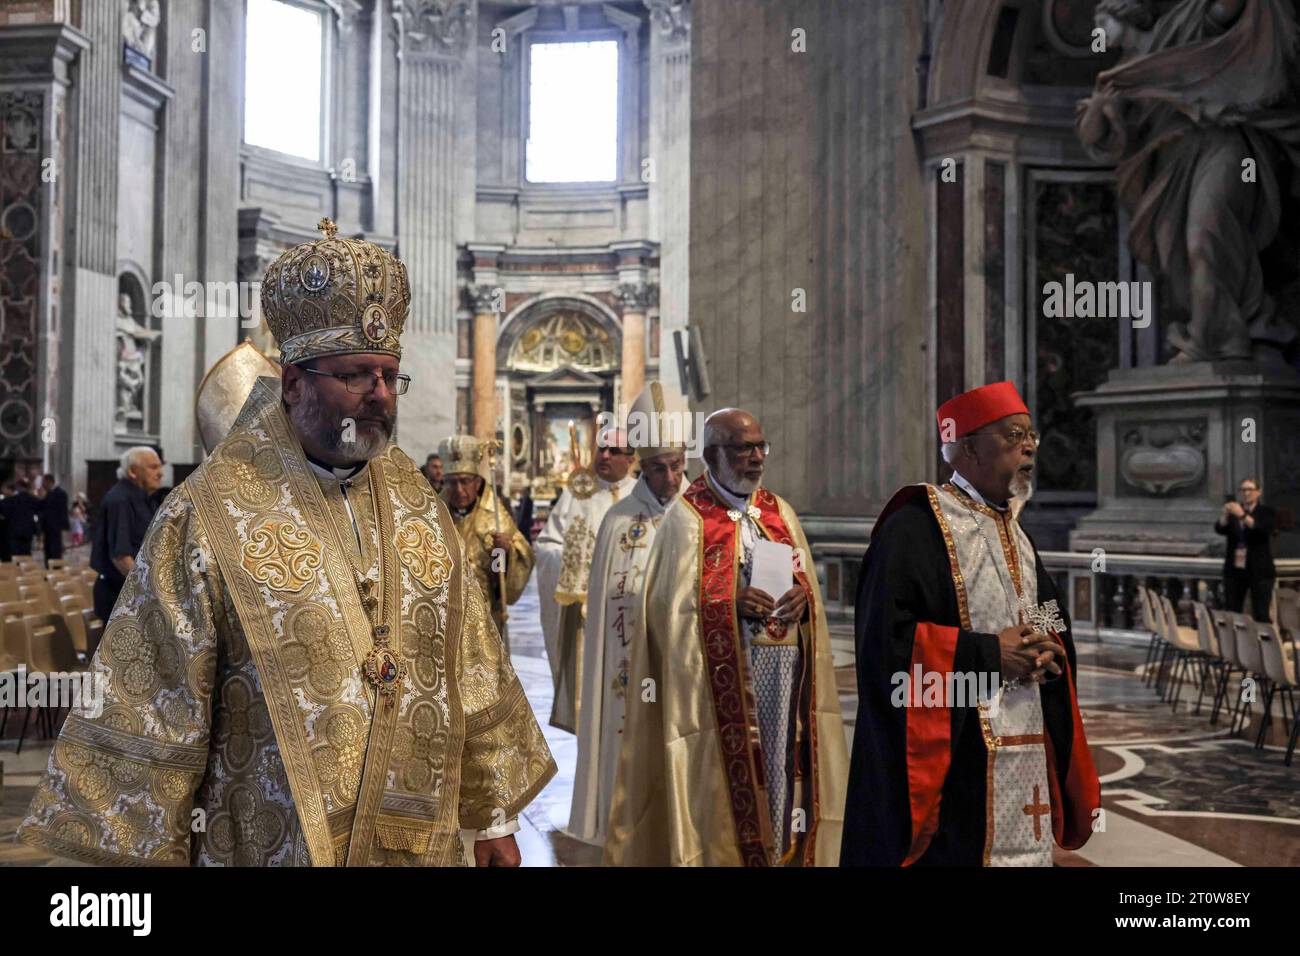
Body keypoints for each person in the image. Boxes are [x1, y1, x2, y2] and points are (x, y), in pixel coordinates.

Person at [20, 218, 555, 867]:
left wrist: (494, 813)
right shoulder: (208, 516)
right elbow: (154, 697)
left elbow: (470, 663)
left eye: (390, 376)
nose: (380, 396)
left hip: (417, 837)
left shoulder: (420, 509)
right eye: (357, 375)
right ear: (294, 382)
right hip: (267, 837)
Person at [841, 381, 1100, 867]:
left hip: (1026, 737)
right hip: (957, 756)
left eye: (1031, 436)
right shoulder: (915, 525)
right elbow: (885, 644)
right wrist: (987, 657)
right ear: (967, 449)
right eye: (1013, 435)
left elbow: (1045, 609)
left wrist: (1051, 647)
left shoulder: (1017, 531)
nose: (1028, 447)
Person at [605, 408, 848, 866]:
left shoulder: (779, 512)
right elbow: (662, 612)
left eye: (761, 447)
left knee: (782, 774)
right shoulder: (687, 519)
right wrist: (725, 604)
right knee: (731, 788)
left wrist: (804, 601)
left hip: (783, 683)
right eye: (743, 448)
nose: (756, 458)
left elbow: (805, 587)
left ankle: (782, 853)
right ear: (712, 454)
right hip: (724, 694)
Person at [569, 382, 691, 847]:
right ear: (643, 467)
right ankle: (620, 826)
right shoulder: (618, 521)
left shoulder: (698, 519)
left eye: (677, 466)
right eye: (659, 468)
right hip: (630, 666)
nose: (670, 479)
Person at [535, 426, 637, 732]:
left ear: (630, 459)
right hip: (586, 613)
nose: (604, 455)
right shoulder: (577, 491)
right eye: (601, 449)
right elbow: (546, 546)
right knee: (591, 704)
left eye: (614, 451)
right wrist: (577, 570)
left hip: (630, 611)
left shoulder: (642, 495)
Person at [438, 434, 534, 647]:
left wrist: (507, 552)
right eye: (452, 483)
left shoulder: (495, 515)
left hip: (485, 612)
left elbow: (524, 553)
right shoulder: (434, 512)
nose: (459, 490)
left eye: (465, 481)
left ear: (476, 481)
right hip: (443, 614)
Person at [89, 447, 163, 630]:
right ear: (132, 471)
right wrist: (151, 593)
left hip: (132, 591)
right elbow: (121, 557)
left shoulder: (143, 498)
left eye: (160, 467)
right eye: (153, 467)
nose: (160, 473)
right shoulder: (120, 499)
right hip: (120, 594)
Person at [1215, 477, 1277, 622]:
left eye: (1250, 489)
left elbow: (1263, 529)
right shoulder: (1234, 511)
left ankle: (1263, 643)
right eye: (1243, 490)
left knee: (1261, 613)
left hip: (1260, 569)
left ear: (1258, 492)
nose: (1246, 493)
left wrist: (1242, 515)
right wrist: (1225, 514)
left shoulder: (1266, 511)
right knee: (1232, 611)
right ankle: (1236, 643)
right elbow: (1219, 529)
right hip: (1235, 569)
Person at [1, 476, 42, 557]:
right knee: (26, 555)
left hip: (14, 533)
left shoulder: (11, 500)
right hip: (27, 533)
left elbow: (4, 513)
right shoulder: (32, 499)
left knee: (15, 555)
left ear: (18, 487)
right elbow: (40, 512)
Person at [39, 473, 69, 566]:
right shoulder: (47, 494)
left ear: (49, 481)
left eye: (43, 482)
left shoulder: (61, 494)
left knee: (55, 557)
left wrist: (64, 533)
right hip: (48, 531)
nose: (42, 485)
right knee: (48, 557)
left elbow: (63, 513)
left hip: (56, 531)